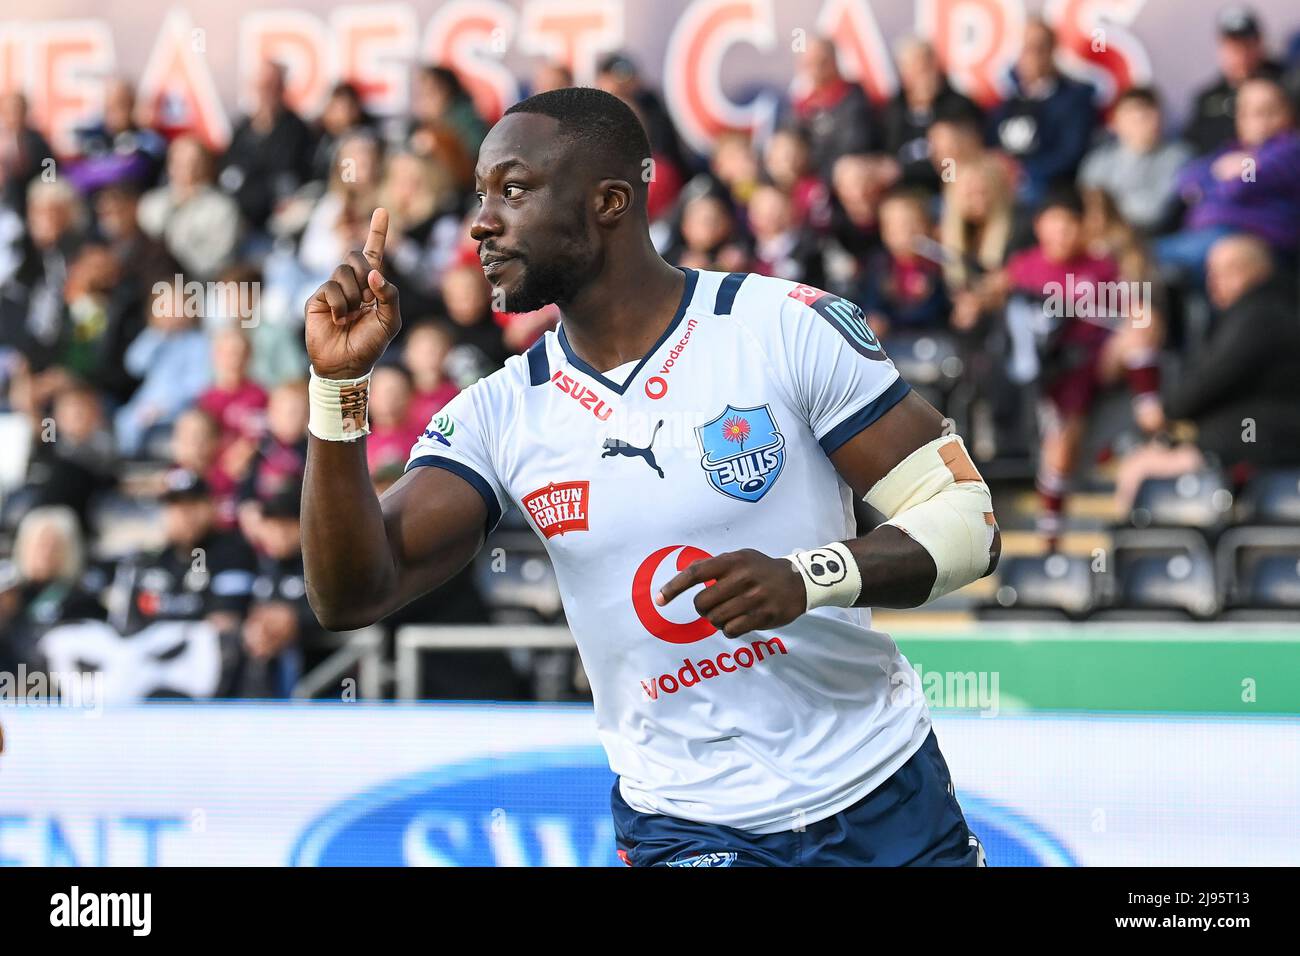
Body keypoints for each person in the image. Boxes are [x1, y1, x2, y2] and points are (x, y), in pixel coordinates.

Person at [301, 88, 998, 867]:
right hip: (686, 822)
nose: (482, 222)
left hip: (880, 790)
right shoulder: (501, 412)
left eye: (515, 189)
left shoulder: (780, 326)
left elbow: (967, 517)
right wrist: (337, 391)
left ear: (609, 201)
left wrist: (810, 578)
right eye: (480, 196)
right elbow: (351, 594)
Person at [1116, 234, 1300, 510]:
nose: (1212, 283)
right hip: (1258, 441)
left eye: (1223, 272)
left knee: (1137, 469)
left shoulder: (1258, 316)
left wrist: (1164, 411)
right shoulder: (1273, 307)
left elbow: (1214, 378)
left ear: (1252, 271)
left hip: (1259, 446)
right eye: (1209, 273)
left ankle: (1140, 551)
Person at [1158, 76, 1300, 277]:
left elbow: (1243, 187)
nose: (1257, 119)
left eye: (1268, 110)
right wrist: (1224, 174)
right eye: (1247, 111)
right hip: (1204, 236)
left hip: (1256, 242)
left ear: (1287, 113)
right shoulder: (1229, 151)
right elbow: (1187, 181)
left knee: (1151, 257)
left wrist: (1234, 172)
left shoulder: (1290, 148)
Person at [988, 17, 1096, 206]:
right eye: (1026, 48)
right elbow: (990, 145)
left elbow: (1070, 153)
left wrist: (1025, 172)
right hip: (1002, 185)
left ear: (1053, 51)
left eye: (1040, 47)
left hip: (1047, 189)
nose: (1033, 55)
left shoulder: (1075, 98)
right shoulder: (1006, 103)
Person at [1077, 87, 1192, 235]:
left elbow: (1152, 213)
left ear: (1159, 118)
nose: (1139, 122)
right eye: (1131, 115)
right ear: (1115, 121)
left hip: (1156, 241)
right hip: (1103, 239)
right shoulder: (1098, 160)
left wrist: (1111, 209)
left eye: (1145, 115)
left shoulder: (1179, 157)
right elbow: (1090, 209)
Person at [1183, 6, 1285, 155]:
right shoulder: (1206, 99)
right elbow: (1192, 152)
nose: (1241, 54)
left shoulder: (1285, 83)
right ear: (1221, 48)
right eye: (1233, 46)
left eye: (1246, 45)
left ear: (1260, 44)